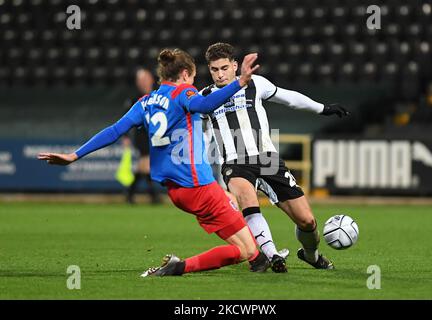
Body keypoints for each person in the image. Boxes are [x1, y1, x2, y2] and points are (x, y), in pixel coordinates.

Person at [38, 48, 271, 276]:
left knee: (243, 251)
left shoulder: (146, 101)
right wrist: (241, 82)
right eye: (192, 77)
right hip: (198, 186)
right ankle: (179, 267)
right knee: (251, 255)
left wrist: (74, 155)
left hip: (177, 192)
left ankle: (183, 266)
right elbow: (206, 105)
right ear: (185, 75)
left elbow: (115, 130)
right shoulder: (184, 93)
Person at [200, 43, 350, 272]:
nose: (219, 74)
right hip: (234, 162)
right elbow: (191, 124)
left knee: (307, 221)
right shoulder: (205, 97)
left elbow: (288, 98)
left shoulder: (255, 84)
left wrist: (322, 108)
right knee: (249, 204)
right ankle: (271, 255)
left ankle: (311, 255)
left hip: (267, 159)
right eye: (214, 70)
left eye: (223, 68)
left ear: (235, 65)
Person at [123, 68, 161, 204]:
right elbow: (125, 121)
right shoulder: (134, 100)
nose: (143, 83)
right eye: (140, 80)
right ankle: (154, 197)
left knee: (143, 167)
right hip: (142, 137)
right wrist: (126, 137)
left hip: (157, 136)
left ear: (151, 79)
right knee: (146, 164)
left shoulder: (159, 96)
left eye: (145, 79)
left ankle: (130, 195)